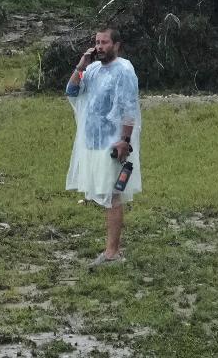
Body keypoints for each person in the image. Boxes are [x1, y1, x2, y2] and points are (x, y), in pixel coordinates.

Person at [64, 27, 141, 268]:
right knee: (104, 194)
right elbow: (71, 91)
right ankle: (110, 250)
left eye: (104, 42)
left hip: (113, 142)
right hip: (93, 141)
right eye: (97, 42)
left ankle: (112, 253)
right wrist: (82, 63)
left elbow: (129, 108)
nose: (99, 46)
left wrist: (124, 141)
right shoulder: (94, 69)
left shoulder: (124, 70)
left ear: (116, 45)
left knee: (112, 196)